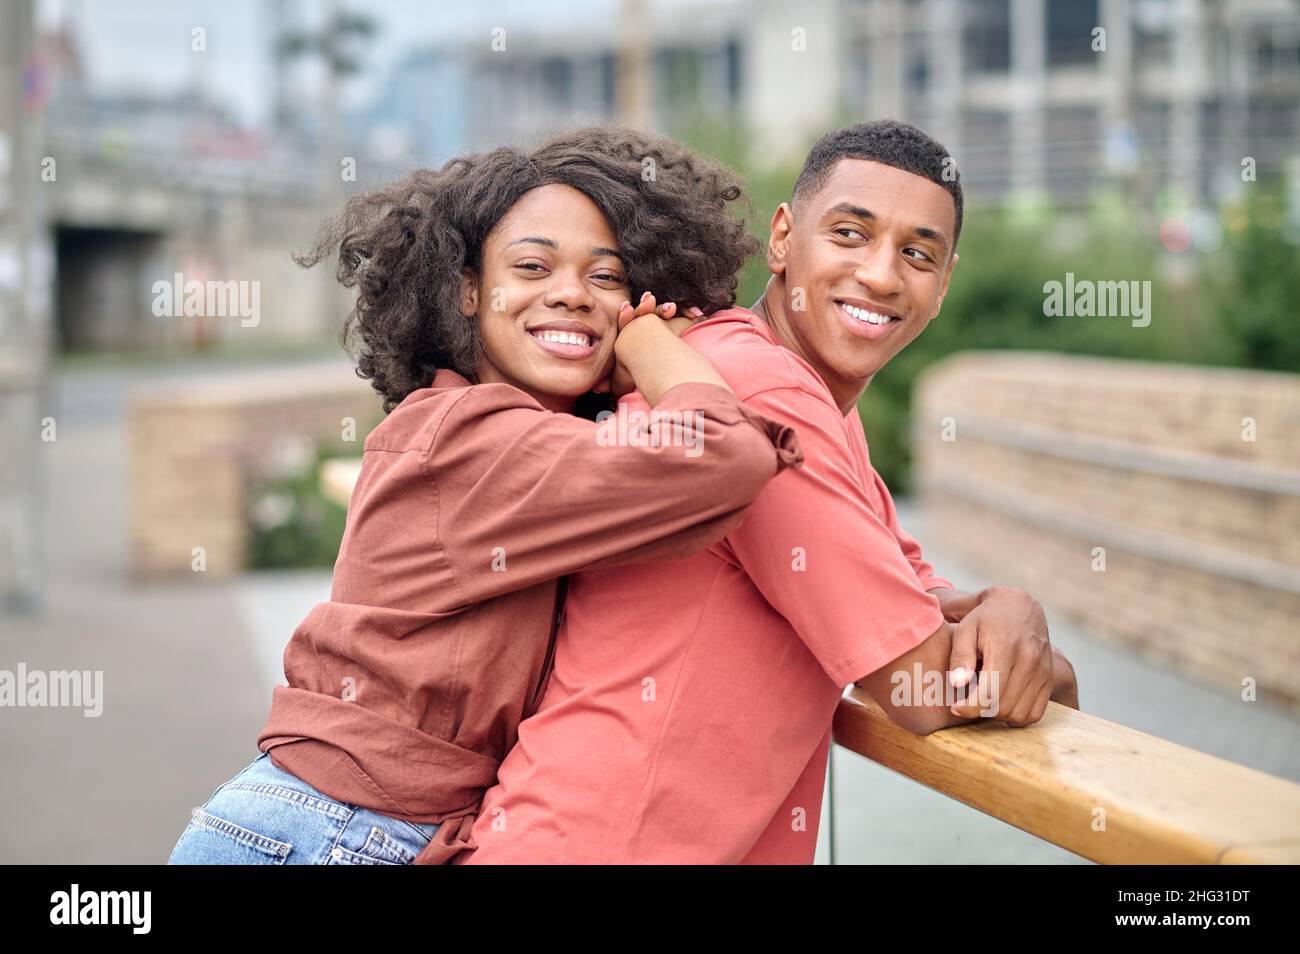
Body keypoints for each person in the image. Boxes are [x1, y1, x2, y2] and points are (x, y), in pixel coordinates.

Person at [166, 128, 802, 866]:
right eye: (532, 266)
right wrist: (658, 348)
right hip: (324, 832)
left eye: (608, 278)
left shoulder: (507, 444)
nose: (571, 293)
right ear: (466, 291)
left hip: (337, 827)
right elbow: (723, 453)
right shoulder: (472, 440)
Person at [459, 120, 1080, 865]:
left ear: (943, 286)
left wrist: (1013, 609)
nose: (882, 275)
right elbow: (921, 689)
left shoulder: (805, 403)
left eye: (917, 254)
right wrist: (1021, 642)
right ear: (784, 239)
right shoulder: (758, 389)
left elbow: (925, 608)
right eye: (850, 234)